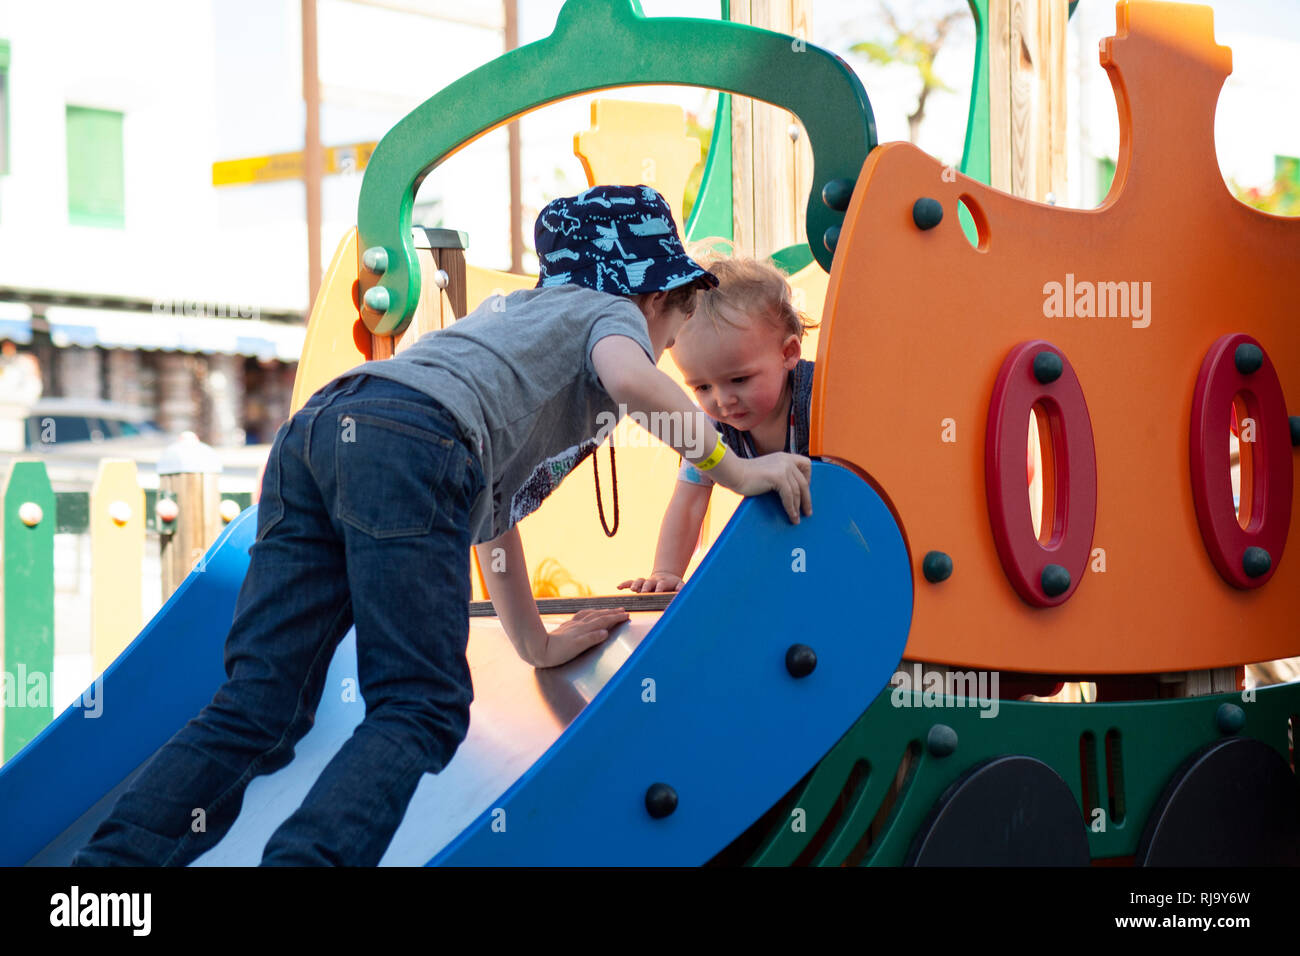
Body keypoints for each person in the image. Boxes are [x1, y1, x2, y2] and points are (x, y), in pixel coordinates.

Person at [72, 185, 812, 867]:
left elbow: (493, 522)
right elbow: (629, 379)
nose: (671, 351)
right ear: (657, 293)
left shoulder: (511, 328)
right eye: (680, 322)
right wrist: (740, 472)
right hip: (411, 443)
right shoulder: (608, 312)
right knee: (420, 703)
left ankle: (107, 876)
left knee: (262, 703)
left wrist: (535, 642)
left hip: (320, 432)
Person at [619, 254, 816, 594]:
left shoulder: (819, 400)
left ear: (788, 353)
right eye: (702, 387)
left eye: (739, 379)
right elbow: (689, 501)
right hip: (788, 556)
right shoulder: (710, 427)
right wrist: (665, 571)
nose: (722, 400)